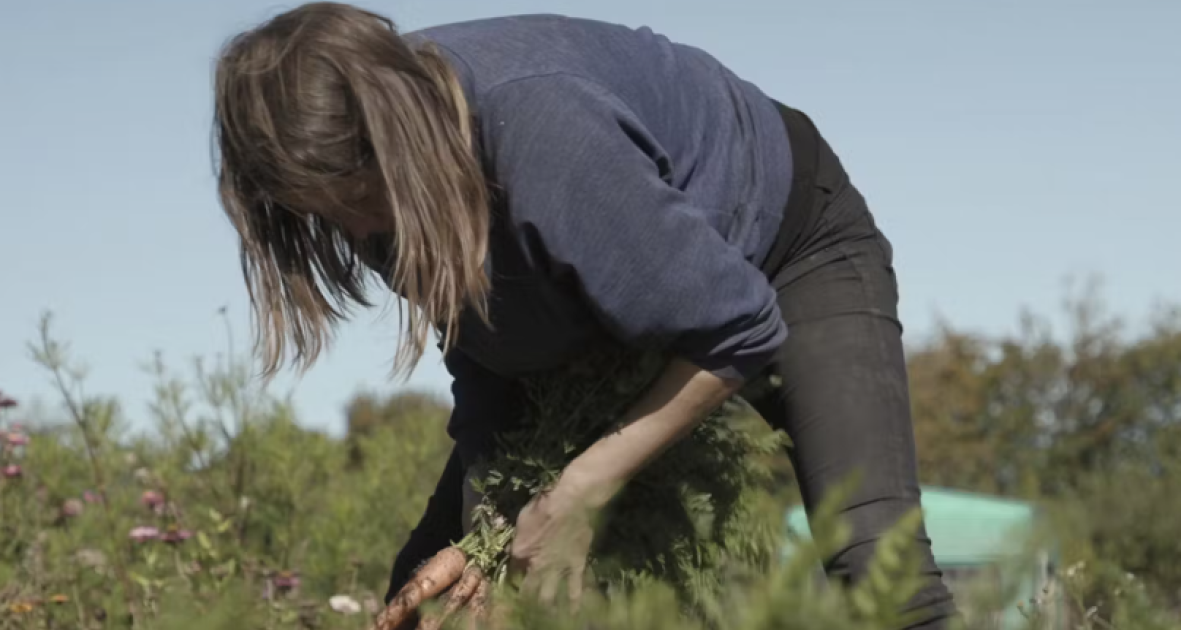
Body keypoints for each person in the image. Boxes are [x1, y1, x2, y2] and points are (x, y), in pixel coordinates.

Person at [212, 3, 958, 627]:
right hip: (607, 298)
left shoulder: (542, 127)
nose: (362, 233)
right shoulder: (368, 202)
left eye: (356, 200)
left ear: (394, 137)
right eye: (325, 215)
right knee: (428, 595)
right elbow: (492, 355)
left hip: (785, 248)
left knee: (877, 566)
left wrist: (576, 495)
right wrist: (488, 539)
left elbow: (739, 326)